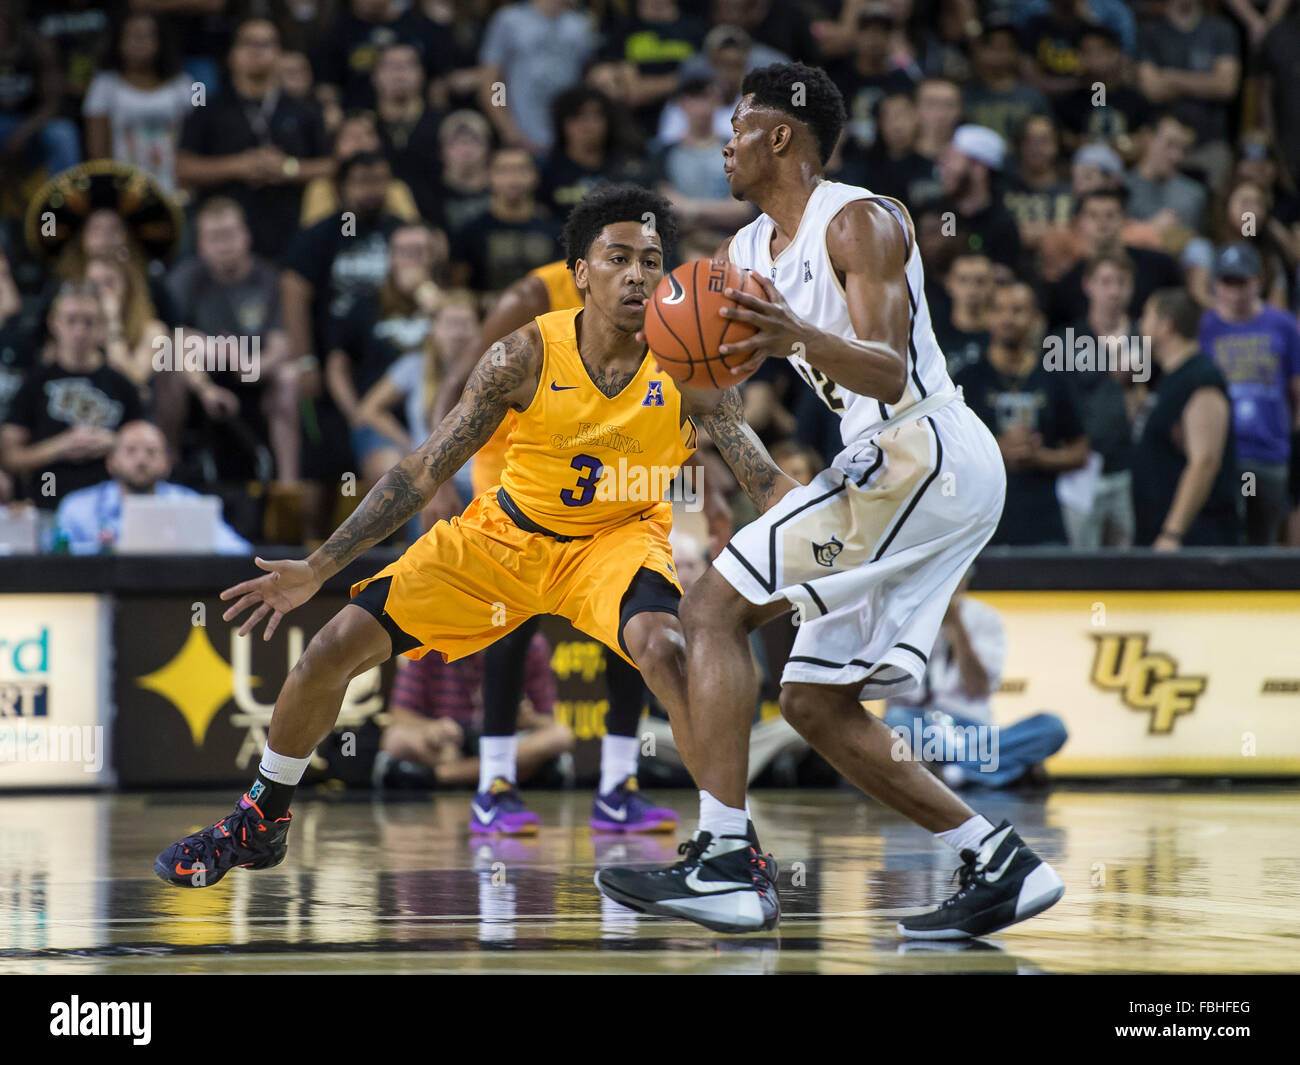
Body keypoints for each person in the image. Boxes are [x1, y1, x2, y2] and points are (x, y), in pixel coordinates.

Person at [151, 185, 784, 888]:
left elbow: (766, 477)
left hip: (616, 541)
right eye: (618, 257)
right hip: (502, 536)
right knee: (331, 647)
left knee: (665, 650)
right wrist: (319, 565)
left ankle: (729, 842)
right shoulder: (522, 356)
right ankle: (261, 816)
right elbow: (421, 471)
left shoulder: (692, 366)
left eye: (652, 260)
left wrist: (833, 545)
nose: (637, 274)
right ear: (580, 271)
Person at [596, 63, 1065, 940]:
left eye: (736, 126)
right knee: (812, 700)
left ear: (782, 136)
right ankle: (996, 857)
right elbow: (719, 382)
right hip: (881, 463)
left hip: (923, 447)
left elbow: (887, 368)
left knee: (710, 611)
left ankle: (727, 861)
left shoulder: (860, 219)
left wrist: (800, 337)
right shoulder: (741, 255)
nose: (722, 144)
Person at [885, 570, 1067, 789]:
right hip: (920, 724)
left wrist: (955, 626)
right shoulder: (899, 616)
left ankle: (951, 772)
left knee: (1051, 727)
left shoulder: (985, 618)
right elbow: (891, 686)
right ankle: (995, 765)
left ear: (965, 582)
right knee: (895, 721)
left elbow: (978, 687)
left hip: (973, 727)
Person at [176, 18, 331, 259]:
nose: (256, 51)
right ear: (231, 55)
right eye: (248, 43)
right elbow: (182, 169)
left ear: (280, 54)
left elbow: (332, 165)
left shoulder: (305, 109)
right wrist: (238, 166)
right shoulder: (207, 109)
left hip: (291, 234)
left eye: (265, 44)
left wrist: (288, 168)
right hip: (223, 239)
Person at [957, 282, 1089, 546]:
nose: (1008, 318)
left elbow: (1081, 450)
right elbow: (949, 451)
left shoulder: (1054, 378)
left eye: (1018, 310)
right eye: (999, 310)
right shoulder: (966, 380)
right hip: (983, 526)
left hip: (1045, 525)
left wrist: (1041, 458)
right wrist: (996, 450)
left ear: (1035, 318)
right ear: (988, 316)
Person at [373, 625, 571, 793]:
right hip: (451, 744)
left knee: (560, 736)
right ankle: (485, 777)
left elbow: (550, 722)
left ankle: (444, 776)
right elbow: (399, 715)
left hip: (506, 741)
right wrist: (433, 728)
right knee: (395, 739)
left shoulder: (529, 643)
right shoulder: (430, 640)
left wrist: (528, 719)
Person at [1, 284, 143, 508]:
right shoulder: (34, 384)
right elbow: (9, 457)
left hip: (109, 502)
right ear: (54, 323)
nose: (79, 331)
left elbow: (149, 449)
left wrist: (114, 442)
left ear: (101, 327)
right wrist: (59, 448)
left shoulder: (122, 385)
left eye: (88, 322)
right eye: (71, 320)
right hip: (50, 492)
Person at [1199, 244, 1300, 545]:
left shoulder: (1282, 325)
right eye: (1227, 283)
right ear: (1216, 284)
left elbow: (1297, 386)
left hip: (1270, 450)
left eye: (1241, 282)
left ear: (1258, 280)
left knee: (1263, 538)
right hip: (1224, 453)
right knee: (1229, 535)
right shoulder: (1205, 327)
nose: (1234, 292)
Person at [1132, 288, 1243, 548]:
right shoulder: (1170, 378)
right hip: (1159, 531)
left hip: (1196, 540)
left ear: (1165, 325)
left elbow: (1204, 461)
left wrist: (1173, 533)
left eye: (1146, 316)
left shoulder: (1201, 378)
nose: (1139, 324)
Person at [53, 420, 251, 555]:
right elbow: (56, 558)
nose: (141, 459)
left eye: (151, 452)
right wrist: (106, 551)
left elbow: (237, 553)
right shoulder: (77, 507)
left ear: (167, 464)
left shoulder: (191, 504)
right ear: (111, 462)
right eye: (131, 451)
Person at [1059, 251, 1142, 548]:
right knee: (1080, 562)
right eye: (1106, 282)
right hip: (1081, 470)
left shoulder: (1144, 335)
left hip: (1128, 468)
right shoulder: (1066, 340)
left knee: (1126, 561)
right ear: (1088, 285)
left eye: (1122, 282)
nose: (1114, 291)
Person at [82, 11, 193, 192]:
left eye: (148, 35)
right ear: (119, 42)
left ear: (160, 41)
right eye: (133, 36)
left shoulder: (187, 83)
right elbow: (98, 153)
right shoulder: (103, 84)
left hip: (176, 184)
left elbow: (204, 126)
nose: (140, 42)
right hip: (125, 187)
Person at [1137, 0, 1241, 190]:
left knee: (1212, 207)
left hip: (1211, 142)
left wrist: (1171, 77)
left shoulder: (1221, 29)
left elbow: (1226, 87)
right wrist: (1207, 82)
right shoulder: (1149, 31)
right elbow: (1152, 90)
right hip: (1163, 143)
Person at [448, 148, 562, 295]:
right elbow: (458, 290)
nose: (513, 177)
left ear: (535, 176)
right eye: (504, 170)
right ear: (489, 176)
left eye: (521, 169)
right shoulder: (469, 232)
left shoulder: (555, 231)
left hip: (545, 313)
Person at [933, 124, 1022, 272]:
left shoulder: (1002, 225)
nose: (943, 168)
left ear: (979, 168)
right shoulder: (944, 214)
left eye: (952, 159)